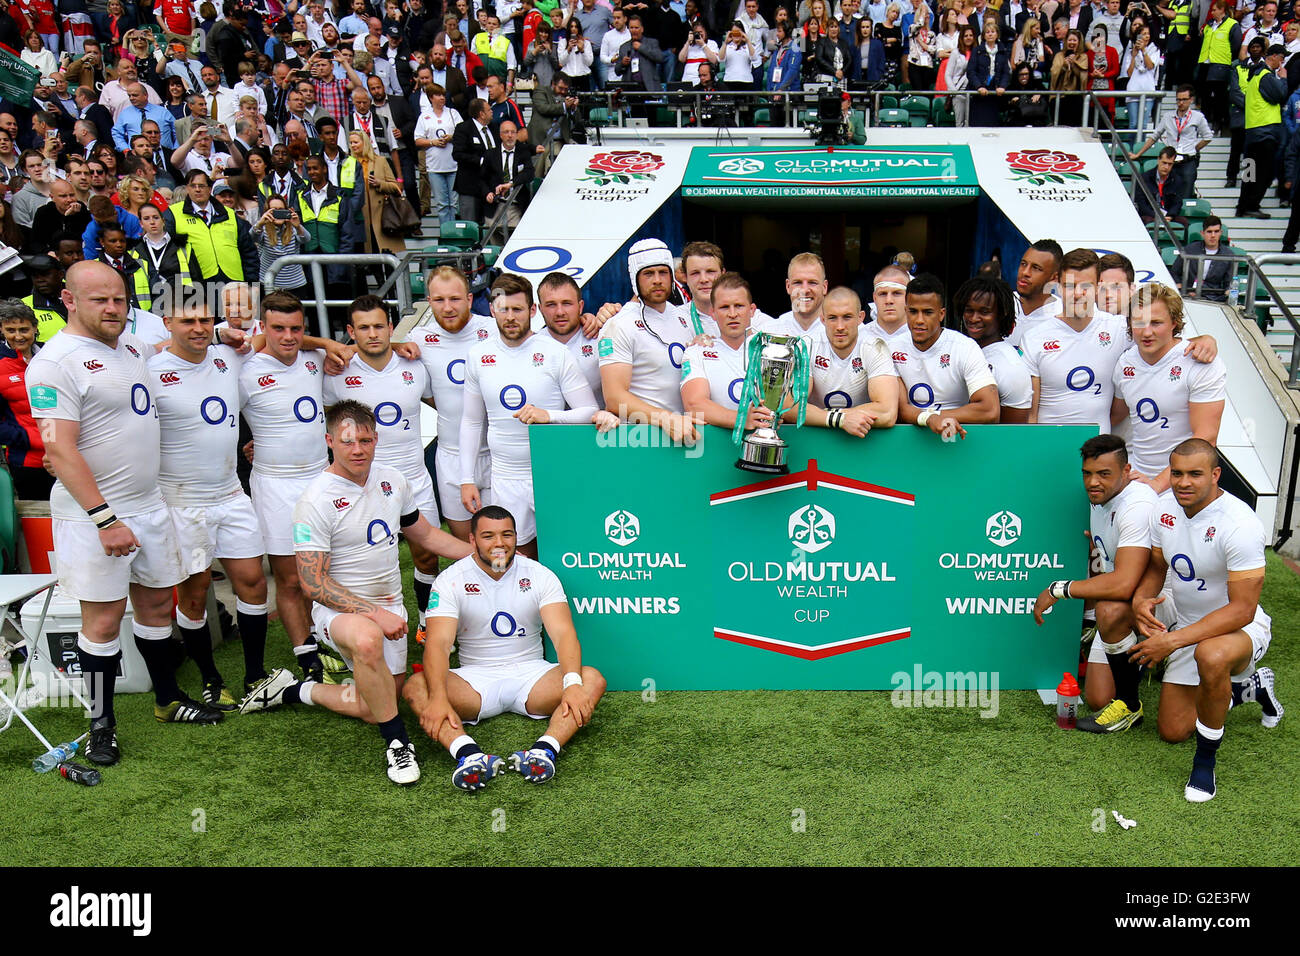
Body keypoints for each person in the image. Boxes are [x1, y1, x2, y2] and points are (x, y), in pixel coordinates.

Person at [28, 261, 227, 767]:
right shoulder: (55, 363)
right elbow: (60, 451)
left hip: (150, 507)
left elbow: (181, 344)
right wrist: (103, 517)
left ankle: (166, 700)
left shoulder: (134, 347)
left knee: (158, 607)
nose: (113, 308)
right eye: (99, 300)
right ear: (70, 301)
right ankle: (102, 726)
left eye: (119, 298)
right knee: (103, 620)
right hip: (95, 517)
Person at [239, 399, 472, 786]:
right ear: (330, 441)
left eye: (365, 440)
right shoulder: (315, 499)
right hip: (339, 612)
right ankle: (397, 744)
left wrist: (482, 556)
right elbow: (313, 585)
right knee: (367, 641)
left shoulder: (392, 480)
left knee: (374, 703)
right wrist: (375, 615)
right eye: (348, 442)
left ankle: (297, 691)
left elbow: (426, 535)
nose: (358, 449)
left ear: (376, 439)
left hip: (389, 607)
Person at [404, 504, 607, 789]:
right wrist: (438, 698)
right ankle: (468, 755)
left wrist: (572, 683)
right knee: (416, 687)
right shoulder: (450, 579)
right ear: (472, 540)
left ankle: (544, 750)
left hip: (533, 676)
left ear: (515, 537)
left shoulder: (540, 574)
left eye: (507, 535)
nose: (499, 543)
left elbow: (563, 634)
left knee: (591, 679)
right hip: (474, 679)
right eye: (488, 536)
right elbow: (438, 644)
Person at [1133, 439, 1281, 801]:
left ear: (1215, 475)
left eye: (1195, 474)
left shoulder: (1240, 524)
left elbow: (1242, 609)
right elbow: (1156, 566)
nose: (1184, 482)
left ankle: (1204, 763)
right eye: (1178, 473)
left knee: (1211, 656)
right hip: (1188, 624)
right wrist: (1141, 599)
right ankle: (1247, 689)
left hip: (1239, 628)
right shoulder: (1163, 508)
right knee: (1171, 730)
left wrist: (1172, 641)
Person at [145, 302, 267, 707]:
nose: (198, 328)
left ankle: (255, 675)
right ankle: (210, 678)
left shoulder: (229, 356)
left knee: (253, 582)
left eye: (204, 320)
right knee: (194, 594)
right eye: (187, 321)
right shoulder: (150, 369)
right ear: (167, 323)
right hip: (184, 504)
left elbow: (280, 337)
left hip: (232, 494)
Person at [459, 274, 605, 558]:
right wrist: (467, 478)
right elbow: (472, 421)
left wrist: (549, 416)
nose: (510, 317)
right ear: (492, 311)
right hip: (505, 476)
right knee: (516, 556)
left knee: (566, 553)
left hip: (552, 471)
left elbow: (590, 412)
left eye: (517, 309)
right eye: (503, 309)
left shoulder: (555, 353)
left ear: (532, 311)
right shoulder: (478, 356)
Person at [238, 291, 339, 685]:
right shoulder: (244, 369)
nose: (288, 337)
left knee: (327, 569)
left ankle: (329, 640)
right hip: (274, 484)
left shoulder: (315, 361)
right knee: (292, 578)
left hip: (319, 478)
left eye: (296, 329)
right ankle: (307, 656)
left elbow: (358, 346)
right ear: (263, 329)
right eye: (278, 328)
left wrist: (326, 343)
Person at [322, 295, 444, 617]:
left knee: (428, 556)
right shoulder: (336, 372)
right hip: (363, 486)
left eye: (379, 325)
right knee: (366, 561)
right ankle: (363, 623)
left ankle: (425, 621)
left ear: (391, 327)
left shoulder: (415, 365)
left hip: (414, 479)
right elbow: (320, 424)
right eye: (364, 327)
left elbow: (445, 408)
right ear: (351, 331)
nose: (373, 333)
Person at [1032, 434, 1160, 724]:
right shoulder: (1102, 497)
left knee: (1109, 610)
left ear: (1126, 472)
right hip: (1128, 598)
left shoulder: (1137, 505)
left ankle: (1130, 707)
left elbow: (1124, 583)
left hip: (1162, 601)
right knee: (1098, 698)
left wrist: (1059, 589)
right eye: (1087, 474)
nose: (1092, 482)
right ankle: (1136, 657)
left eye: (1104, 474)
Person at [1110, 284, 1226, 492]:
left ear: (1174, 322)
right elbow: (1116, 415)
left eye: (1156, 323)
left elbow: (1206, 436)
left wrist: (1158, 485)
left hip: (1182, 484)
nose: (1147, 332)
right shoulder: (1125, 363)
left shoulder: (1199, 362)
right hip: (1138, 477)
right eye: (1139, 322)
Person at [415, 265, 496, 543]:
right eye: (439, 300)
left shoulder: (494, 329)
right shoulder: (419, 340)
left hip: (498, 455)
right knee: (467, 545)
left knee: (506, 540)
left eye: (455, 299)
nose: (447, 307)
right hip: (450, 455)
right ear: (429, 302)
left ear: (470, 299)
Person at [598, 238, 698, 444]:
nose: (657, 280)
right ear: (635, 279)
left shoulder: (686, 318)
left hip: (687, 434)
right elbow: (614, 398)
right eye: (648, 274)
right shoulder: (619, 325)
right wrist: (665, 419)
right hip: (641, 438)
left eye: (663, 272)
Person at [893, 272, 999, 440]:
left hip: (955, 441)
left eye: (928, 312)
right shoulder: (891, 349)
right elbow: (899, 409)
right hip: (908, 443)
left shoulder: (964, 348)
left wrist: (937, 416)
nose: (919, 320)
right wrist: (931, 419)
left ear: (941, 314)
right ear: (905, 311)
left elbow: (990, 410)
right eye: (913, 311)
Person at [803, 286, 900, 435]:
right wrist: (840, 419)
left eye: (847, 317)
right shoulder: (807, 346)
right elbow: (791, 407)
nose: (840, 326)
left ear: (860, 318)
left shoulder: (874, 347)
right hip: (815, 438)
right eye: (832, 318)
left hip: (861, 438)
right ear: (822, 319)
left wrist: (825, 415)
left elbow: (887, 413)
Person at [954, 275, 1032, 424]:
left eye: (984, 312)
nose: (974, 318)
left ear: (1002, 314)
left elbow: (1012, 434)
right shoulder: (956, 349)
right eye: (969, 310)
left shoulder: (1011, 367)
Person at [0, 299, 53, 500]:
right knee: (37, 522)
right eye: (11, 330)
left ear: (35, 328)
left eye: (24, 329)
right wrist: (31, 439)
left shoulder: (51, 355)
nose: (18, 336)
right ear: (2, 330)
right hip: (27, 461)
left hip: (66, 456)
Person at [166, 170, 259, 284]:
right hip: (197, 283)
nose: (197, 189)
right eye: (193, 186)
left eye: (201, 186)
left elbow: (248, 251)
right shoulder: (173, 213)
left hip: (234, 281)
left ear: (209, 189)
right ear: (187, 189)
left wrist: (251, 283)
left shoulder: (229, 213)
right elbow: (167, 252)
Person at [1232, 43, 1288, 219]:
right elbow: (1279, 95)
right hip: (1265, 133)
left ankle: (1242, 206)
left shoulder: (1255, 74)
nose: (1282, 61)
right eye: (1281, 57)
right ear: (1273, 57)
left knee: (1249, 172)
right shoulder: (1266, 75)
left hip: (1252, 131)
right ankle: (1252, 205)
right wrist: (1283, 79)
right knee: (1265, 172)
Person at [1129, 84, 1213, 200]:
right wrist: (1138, 154)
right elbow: (1155, 136)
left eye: (1184, 99)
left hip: (1187, 160)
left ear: (1191, 99)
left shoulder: (1198, 117)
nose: (1181, 103)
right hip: (1170, 161)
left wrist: (1195, 148)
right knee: (1167, 194)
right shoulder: (1168, 116)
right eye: (1178, 100)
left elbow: (1208, 137)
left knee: (1185, 195)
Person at [129, 202, 192, 312]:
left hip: (179, 305)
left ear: (163, 220)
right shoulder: (134, 250)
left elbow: (196, 277)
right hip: (148, 308)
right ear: (141, 223)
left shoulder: (182, 246)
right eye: (146, 218)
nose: (152, 222)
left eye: (156, 217)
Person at [1196, 1, 1241, 134]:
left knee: (1219, 97)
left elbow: (1236, 45)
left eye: (1214, 10)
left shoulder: (1232, 24)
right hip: (1205, 63)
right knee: (1204, 95)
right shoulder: (1209, 26)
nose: (1212, 12)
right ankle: (1203, 125)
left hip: (1221, 64)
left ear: (1222, 10)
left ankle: (1218, 124)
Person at [1009, 238, 1062, 348]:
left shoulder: (1062, 316)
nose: (1025, 272)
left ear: (1055, 278)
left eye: (1036, 268)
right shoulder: (1001, 303)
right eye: (1023, 264)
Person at [451, 98, 497, 224]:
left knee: (489, 225)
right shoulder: (463, 128)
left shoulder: (493, 128)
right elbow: (457, 154)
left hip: (490, 188)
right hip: (469, 187)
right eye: (489, 110)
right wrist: (481, 161)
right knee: (470, 224)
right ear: (481, 114)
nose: (492, 112)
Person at [253, 195, 309, 296]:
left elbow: (306, 239)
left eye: (281, 210)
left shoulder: (294, 228)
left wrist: (298, 226)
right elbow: (252, 237)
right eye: (274, 210)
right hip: (269, 283)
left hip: (295, 284)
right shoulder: (263, 229)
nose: (278, 213)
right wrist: (260, 223)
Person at [1172, 215, 1234, 302]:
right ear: (1202, 233)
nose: (1213, 235)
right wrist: (1182, 288)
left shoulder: (1228, 254)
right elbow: (1174, 272)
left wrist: (1229, 291)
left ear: (1221, 232)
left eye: (1216, 231)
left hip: (1214, 299)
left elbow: (1230, 283)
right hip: (1188, 297)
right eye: (1209, 232)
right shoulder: (1189, 249)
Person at [968, 16, 1010, 126]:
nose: (990, 34)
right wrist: (979, 86)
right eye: (987, 32)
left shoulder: (1003, 51)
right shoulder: (977, 51)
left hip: (994, 94)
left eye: (992, 32)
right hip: (979, 95)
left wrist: (1002, 86)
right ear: (984, 36)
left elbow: (1006, 72)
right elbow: (971, 71)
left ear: (997, 34)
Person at [1135, 147, 1187, 225]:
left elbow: (1177, 203)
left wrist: (1170, 215)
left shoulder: (1177, 180)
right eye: (1164, 163)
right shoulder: (1144, 178)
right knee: (1147, 221)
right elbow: (1141, 203)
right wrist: (1156, 216)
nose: (1166, 167)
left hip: (1168, 215)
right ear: (1158, 160)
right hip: (1150, 215)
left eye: (1170, 164)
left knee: (1183, 222)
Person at [1048, 27, 1088, 126]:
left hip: (1075, 97)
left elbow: (1083, 77)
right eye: (1070, 40)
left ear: (1079, 42)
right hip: (1060, 96)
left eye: (1075, 40)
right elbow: (1054, 74)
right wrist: (1064, 67)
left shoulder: (1083, 57)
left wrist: (1074, 64)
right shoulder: (1059, 56)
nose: (1072, 43)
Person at [945, 24, 976, 125]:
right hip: (958, 91)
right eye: (966, 36)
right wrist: (953, 91)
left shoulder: (978, 52)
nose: (968, 38)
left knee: (971, 122)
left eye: (970, 35)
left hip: (973, 92)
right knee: (960, 123)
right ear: (962, 38)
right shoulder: (956, 53)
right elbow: (948, 75)